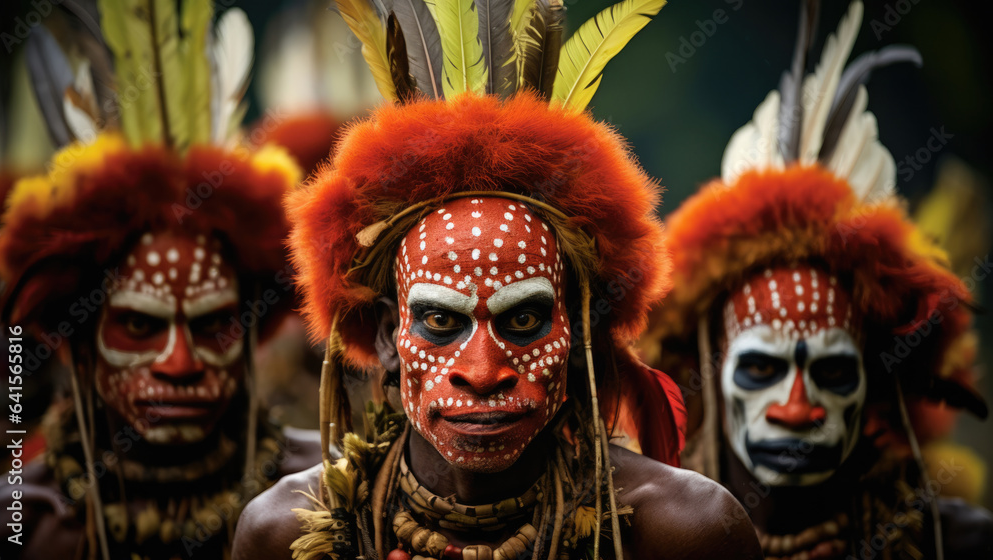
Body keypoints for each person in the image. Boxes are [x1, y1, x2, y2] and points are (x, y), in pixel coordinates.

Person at [234, 0, 762, 558]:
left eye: (525, 319)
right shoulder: (282, 534)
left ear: (578, 329)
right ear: (389, 337)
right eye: (440, 320)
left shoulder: (684, 532)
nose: (484, 372)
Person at [641, 2, 993, 558]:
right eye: (760, 368)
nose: (796, 409)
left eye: (832, 372)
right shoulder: (631, 537)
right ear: (707, 368)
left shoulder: (957, 545)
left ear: (875, 384)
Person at [0, 2, 318, 558]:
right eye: (140, 325)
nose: (181, 366)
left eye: (213, 324)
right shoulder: (16, 521)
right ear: (78, 338)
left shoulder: (328, 495)